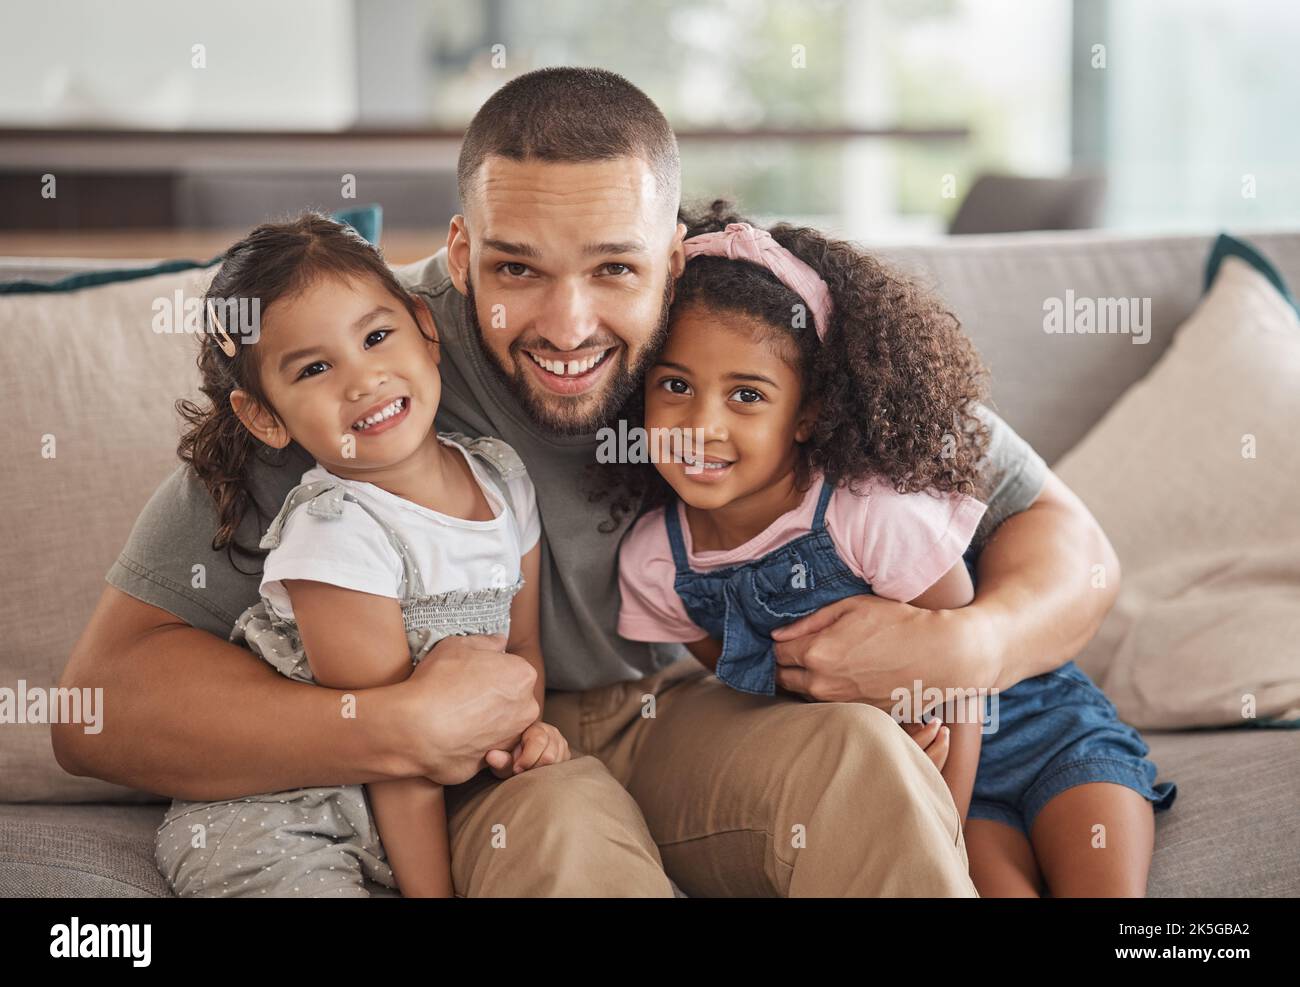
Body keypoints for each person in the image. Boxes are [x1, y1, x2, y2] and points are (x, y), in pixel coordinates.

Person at [56, 67, 1122, 897]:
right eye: (517, 269)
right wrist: (388, 727)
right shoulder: (365, 369)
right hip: (493, 767)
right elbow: (98, 707)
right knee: (561, 829)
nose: (567, 328)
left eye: (614, 268)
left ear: (675, 249)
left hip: (694, 721)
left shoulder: (753, 323)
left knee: (855, 760)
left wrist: (966, 646)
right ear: (461, 255)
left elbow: (1068, 546)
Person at [609, 212, 1176, 897]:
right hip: (920, 764)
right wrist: (907, 789)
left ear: (810, 411)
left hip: (1042, 724)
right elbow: (752, 688)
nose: (702, 425)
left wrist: (941, 814)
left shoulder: (869, 507)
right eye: (674, 386)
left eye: (747, 395)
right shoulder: (656, 560)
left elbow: (962, 667)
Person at [154, 214, 569, 897]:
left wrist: (523, 732)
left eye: (376, 337)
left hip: (408, 813)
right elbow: (390, 750)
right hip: (284, 816)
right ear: (266, 416)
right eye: (315, 367)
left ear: (424, 330)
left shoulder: (502, 478)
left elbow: (519, 655)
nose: (364, 379)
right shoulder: (338, 530)